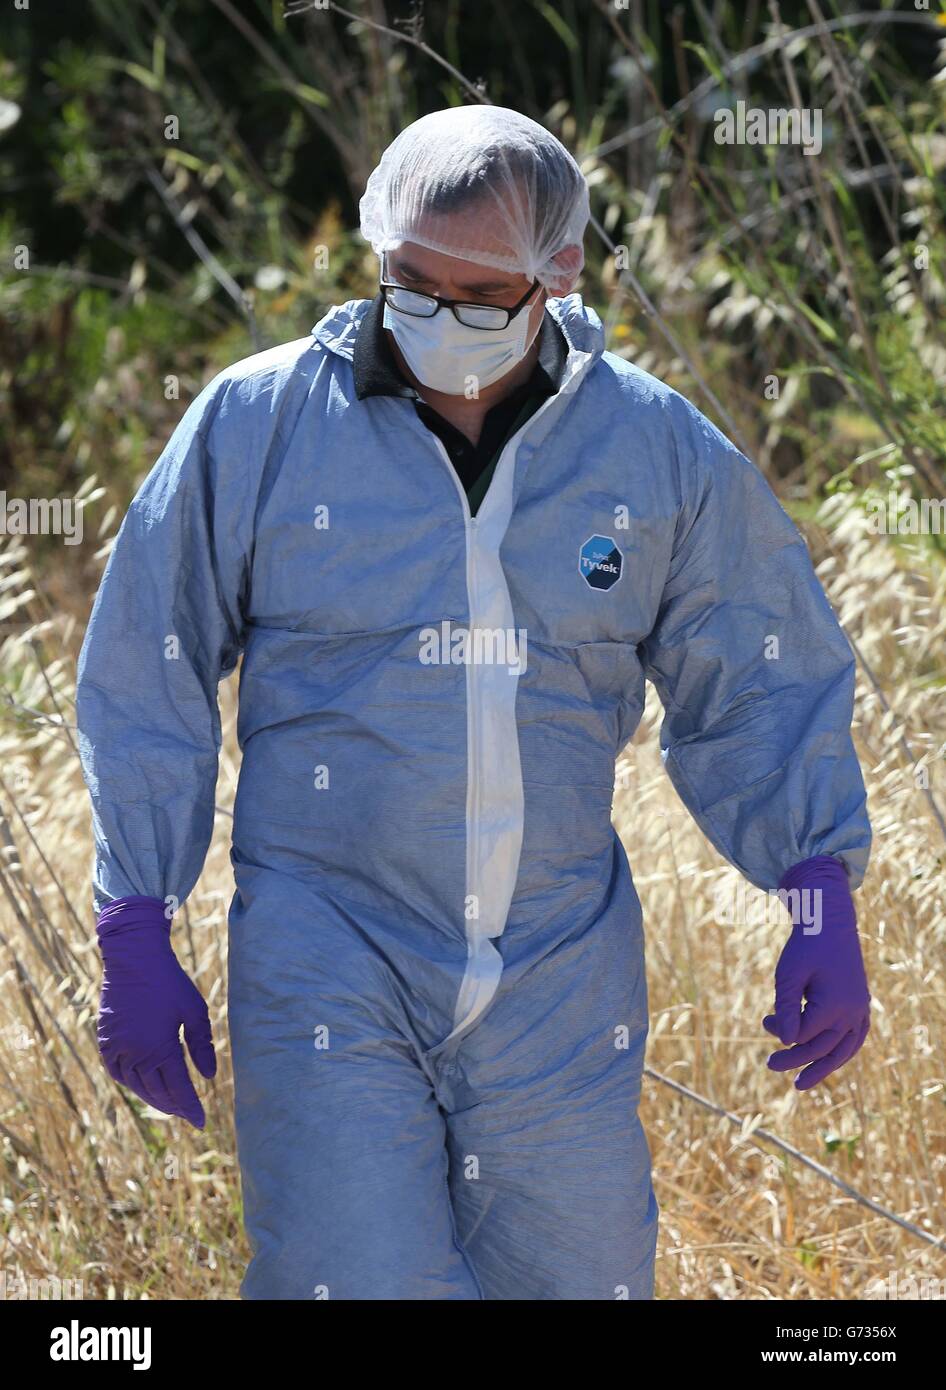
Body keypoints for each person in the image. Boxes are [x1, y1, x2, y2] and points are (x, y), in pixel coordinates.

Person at [75, 104, 872, 1301]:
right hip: (326, 947)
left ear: (557, 276)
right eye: (411, 281)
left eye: (481, 295)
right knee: (353, 1280)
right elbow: (150, 666)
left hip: (557, 965)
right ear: (376, 252)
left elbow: (759, 672)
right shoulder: (260, 426)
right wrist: (137, 921)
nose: (440, 317)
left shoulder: (651, 451)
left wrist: (815, 892)